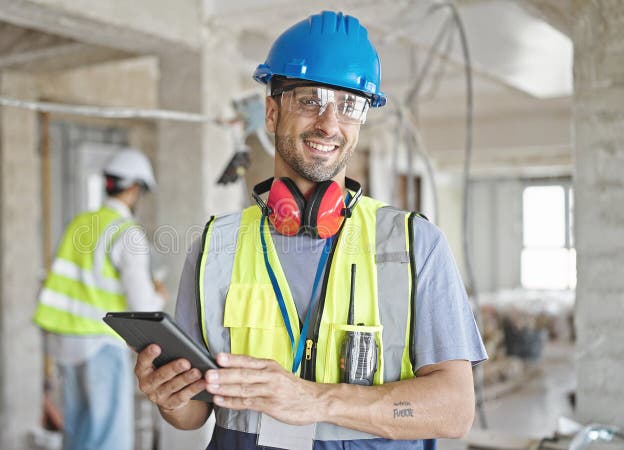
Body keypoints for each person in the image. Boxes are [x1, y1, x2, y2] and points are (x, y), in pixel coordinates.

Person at [133, 10, 487, 450]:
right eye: (309, 100)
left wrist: (316, 400)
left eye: (349, 105)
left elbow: (453, 411)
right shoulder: (214, 247)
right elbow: (193, 414)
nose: (329, 123)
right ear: (271, 113)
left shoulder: (414, 245)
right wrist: (169, 397)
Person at [34, 148, 166, 450]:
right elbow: (144, 307)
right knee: (109, 438)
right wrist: (158, 295)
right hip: (101, 344)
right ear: (134, 188)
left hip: (66, 342)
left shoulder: (81, 223)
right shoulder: (126, 232)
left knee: (78, 432)